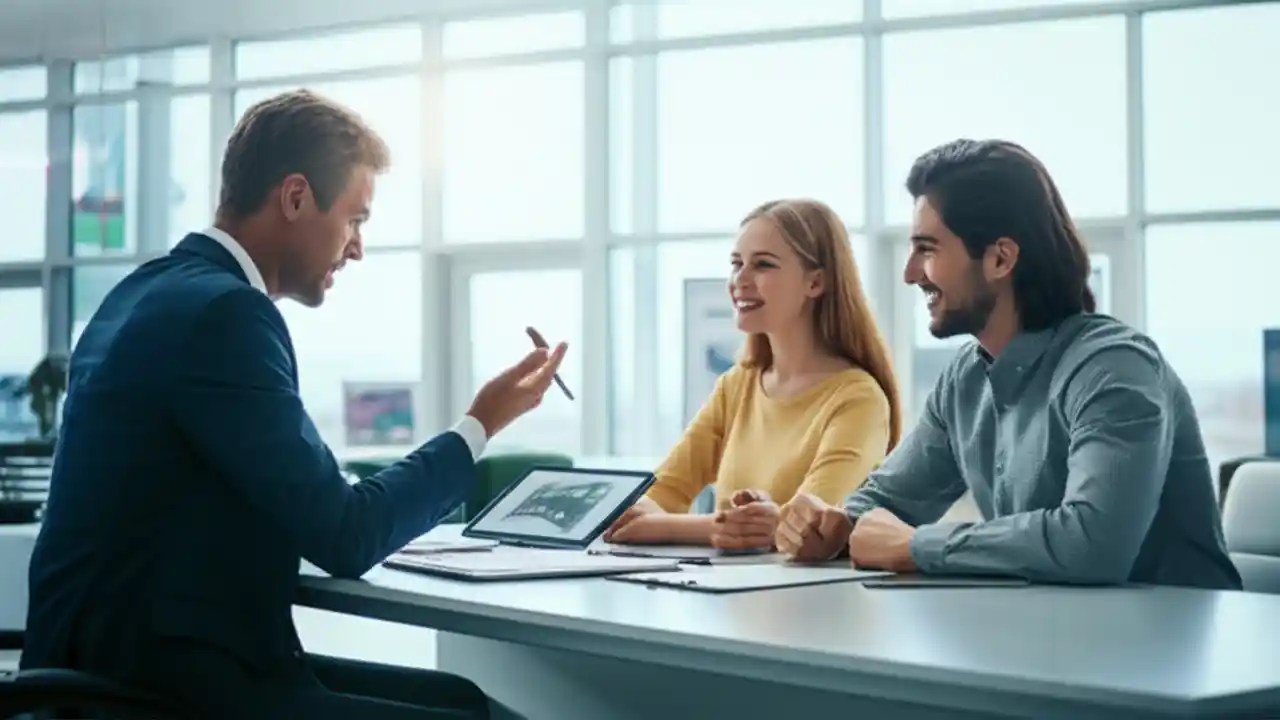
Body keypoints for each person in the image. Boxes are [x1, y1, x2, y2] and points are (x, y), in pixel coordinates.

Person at [21, 89, 568, 719]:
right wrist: (481, 424)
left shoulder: (142, 293)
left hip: (90, 671)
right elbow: (346, 534)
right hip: (160, 690)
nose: (357, 247)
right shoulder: (227, 316)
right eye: (356, 219)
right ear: (296, 197)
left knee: (460, 700)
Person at [776, 139, 1242, 590]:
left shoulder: (1114, 368)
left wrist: (916, 547)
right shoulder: (965, 379)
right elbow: (886, 501)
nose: (910, 273)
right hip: (1053, 631)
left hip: (1169, 637)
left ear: (1000, 259)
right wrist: (832, 526)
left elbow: (1092, 543)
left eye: (928, 249)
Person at [605, 199, 901, 551]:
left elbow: (807, 527)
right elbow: (656, 497)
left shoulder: (858, 399)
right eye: (736, 264)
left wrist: (670, 527)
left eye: (763, 265)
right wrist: (714, 527)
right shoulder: (736, 386)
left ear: (816, 282)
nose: (739, 280)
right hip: (721, 585)